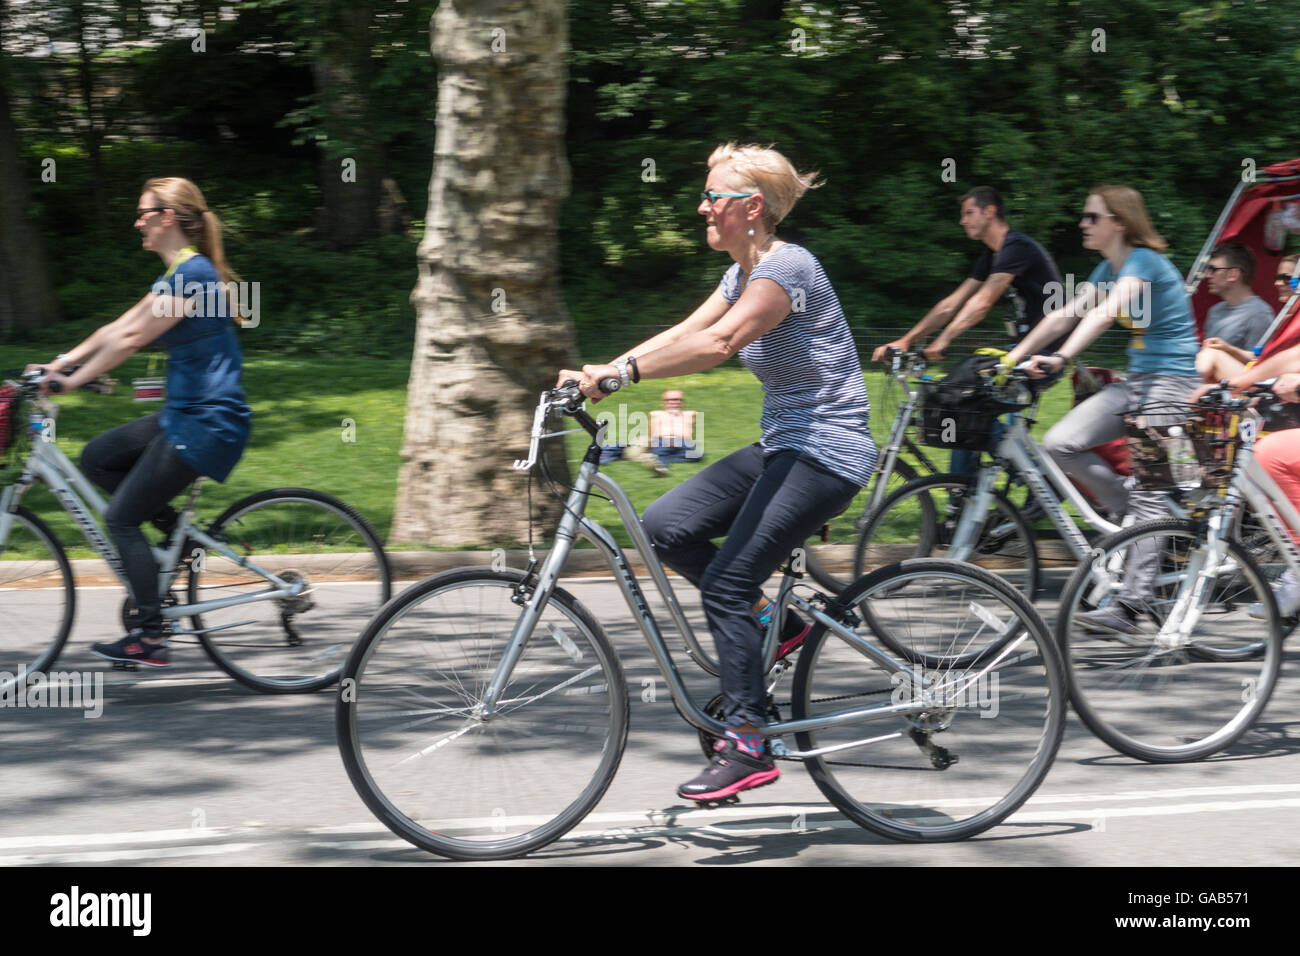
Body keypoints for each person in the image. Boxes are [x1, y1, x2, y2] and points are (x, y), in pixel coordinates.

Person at [555, 143, 875, 803]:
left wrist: (625, 375)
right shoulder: (739, 276)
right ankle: (781, 626)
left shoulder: (790, 268)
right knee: (666, 526)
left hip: (828, 451)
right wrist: (599, 374)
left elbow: (720, 344)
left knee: (728, 582)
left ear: (751, 208)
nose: (703, 206)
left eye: (713, 197)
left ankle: (750, 741)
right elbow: (684, 329)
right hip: (784, 443)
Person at [25, 177, 252, 667]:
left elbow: (130, 342)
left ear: (167, 217)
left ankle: (150, 637)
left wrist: (68, 382)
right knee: (98, 458)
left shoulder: (193, 276)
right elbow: (117, 328)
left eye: (144, 213)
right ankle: (181, 541)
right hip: (186, 416)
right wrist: (60, 364)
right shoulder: (180, 271)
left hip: (208, 424)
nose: (137, 222)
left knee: (121, 518)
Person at [1006, 185, 1201, 634]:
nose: (1082, 224)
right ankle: (1138, 518)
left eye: (1092, 217)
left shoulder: (1143, 262)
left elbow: (1106, 314)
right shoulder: (1107, 267)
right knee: (1060, 443)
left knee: (1152, 491)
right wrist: (1010, 358)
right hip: (1138, 383)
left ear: (1119, 222)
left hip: (1172, 386)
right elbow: (1065, 314)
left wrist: (1061, 358)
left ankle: (1132, 605)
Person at [872, 186, 1063, 475]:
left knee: (965, 407)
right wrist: (907, 340)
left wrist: (943, 340)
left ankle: (1042, 480)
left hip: (1044, 354)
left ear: (990, 212)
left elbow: (982, 303)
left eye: (969, 213)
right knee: (964, 408)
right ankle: (966, 501)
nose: (963, 221)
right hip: (1022, 352)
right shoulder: (992, 254)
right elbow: (952, 304)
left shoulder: (1016, 248)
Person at [1195, 242, 1275, 379]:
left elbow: (1261, 364)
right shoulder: (1215, 311)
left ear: (1233, 274)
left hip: (1240, 391)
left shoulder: (1260, 313)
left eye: (1213, 269)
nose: (1207, 275)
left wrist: (1228, 350)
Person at [648, 389, 699, 471]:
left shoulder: (690, 414)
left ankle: (662, 459)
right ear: (664, 403)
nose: (676, 402)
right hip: (662, 441)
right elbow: (652, 431)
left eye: (678, 399)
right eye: (671, 400)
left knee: (698, 455)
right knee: (662, 451)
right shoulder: (657, 414)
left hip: (684, 443)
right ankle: (661, 467)